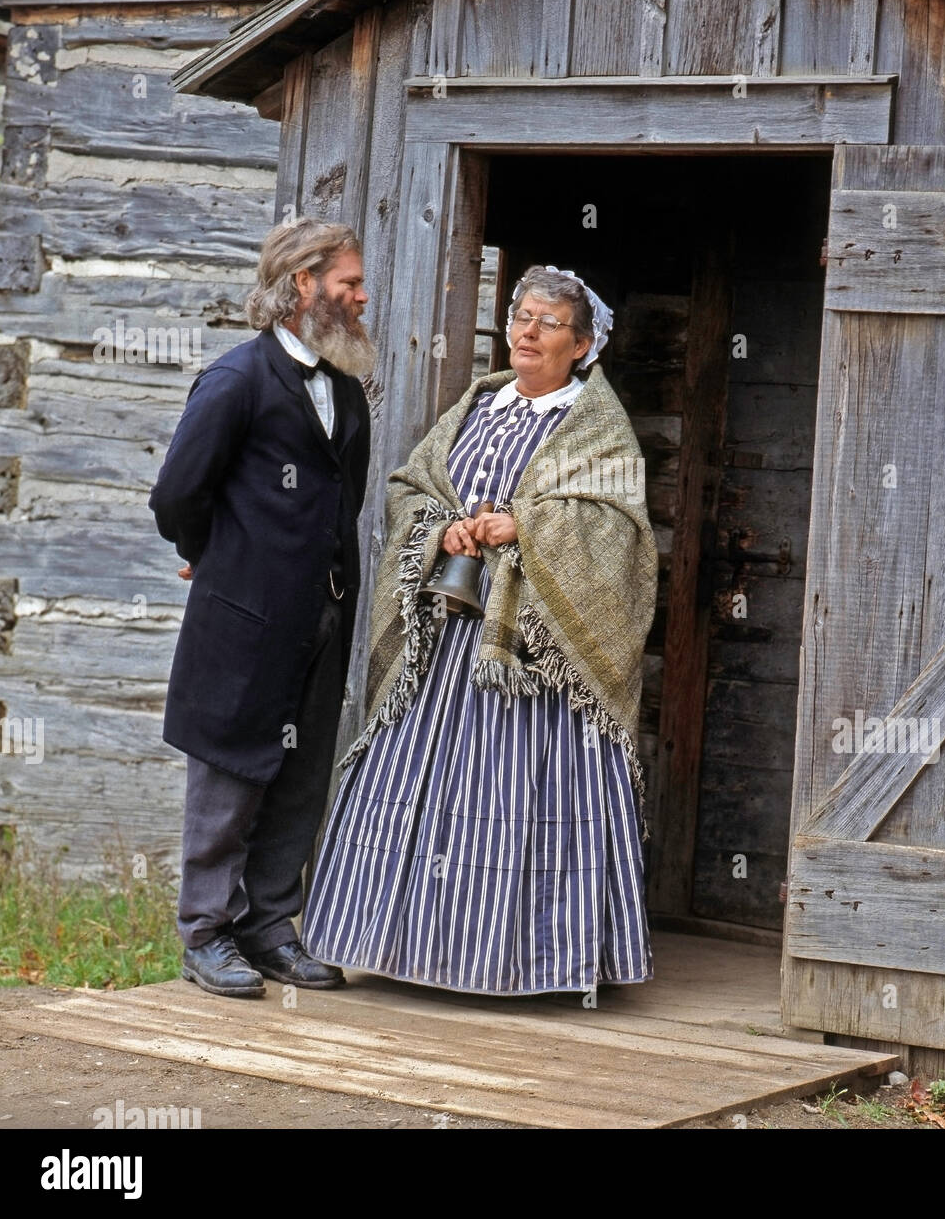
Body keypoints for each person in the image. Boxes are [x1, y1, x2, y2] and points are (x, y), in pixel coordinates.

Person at [302, 264, 658, 996]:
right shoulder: (479, 404)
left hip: (534, 651)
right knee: (410, 778)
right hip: (449, 634)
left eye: (547, 323)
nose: (525, 332)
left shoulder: (595, 428)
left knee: (524, 795)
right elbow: (413, 487)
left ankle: (531, 963)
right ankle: (392, 945)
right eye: (520, 316)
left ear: (582, 346)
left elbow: (615, 530)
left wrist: (524, 526)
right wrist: (446, 531)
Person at [149, 218, 373, 998]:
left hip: (321, 618)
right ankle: (205, 933)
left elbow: (342, 502)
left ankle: (270, 929)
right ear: (303, 284)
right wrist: (215, 560)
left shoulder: (345, 390)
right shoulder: (236, 379)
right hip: (242, 620)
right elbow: (178, 492)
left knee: (300, 772)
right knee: (231, 769)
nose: (360, 295)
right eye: (347, 283)